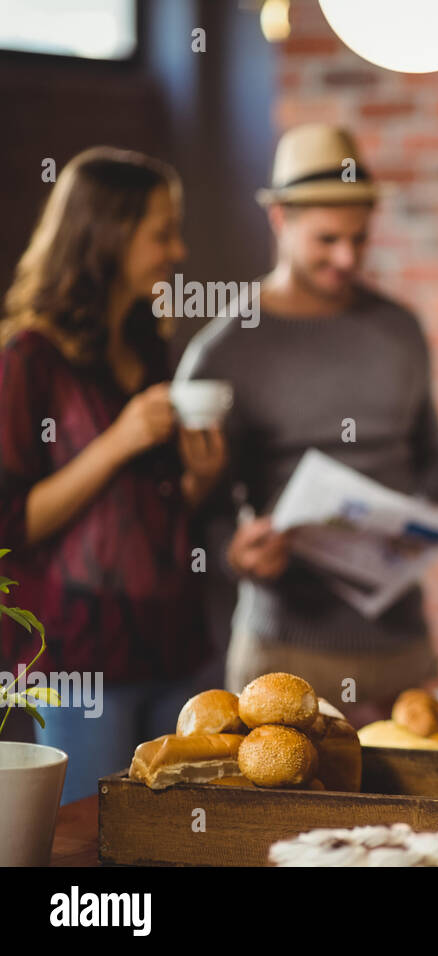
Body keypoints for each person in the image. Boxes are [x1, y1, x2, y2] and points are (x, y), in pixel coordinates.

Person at [178, 124, 438, 728]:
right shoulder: (224, 352)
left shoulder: (399, 330)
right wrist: (234, 551)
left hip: (404, 648)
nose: (347, 259)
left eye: (359, 240)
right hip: (283, 659)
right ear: (279, 220)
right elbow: (190, 509)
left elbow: (430, 469)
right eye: (326, 240)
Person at [0, 147, 226, 803]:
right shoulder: (27, 358)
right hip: (78, 663)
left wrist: (199, 482)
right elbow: (10, 524)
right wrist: (116, 441)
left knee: (183, 833)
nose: (176, 249)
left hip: (178, 645)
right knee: (87, 843)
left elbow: (154, 506)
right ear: (108, 233)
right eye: (162, 231)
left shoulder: (149, 346)